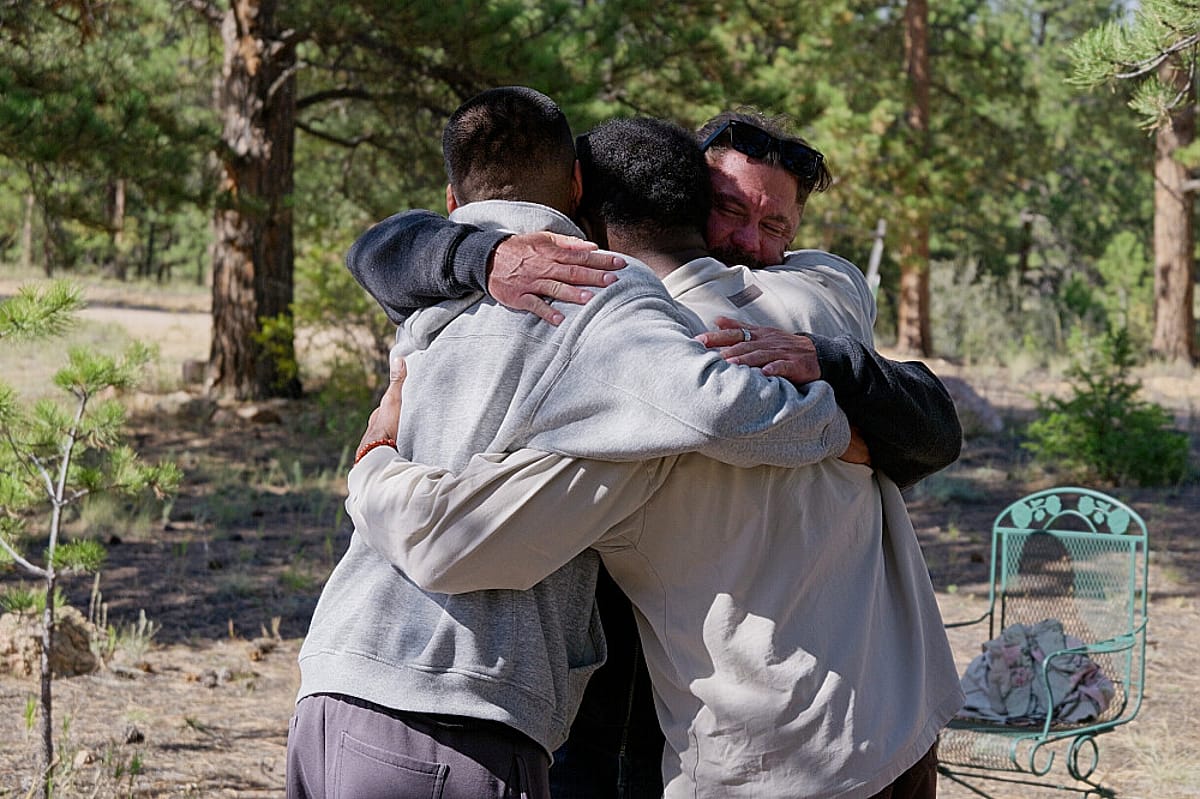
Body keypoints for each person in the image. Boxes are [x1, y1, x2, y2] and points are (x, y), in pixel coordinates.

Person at [345, 108, 961, 797]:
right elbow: (386, 246)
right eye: (729, 210)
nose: (751, 242)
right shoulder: (811, 298)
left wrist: (373, 468)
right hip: (890, 725)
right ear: (684, 198)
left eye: (776, 225)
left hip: (771, 761)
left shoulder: (651, 374)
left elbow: (452, 541)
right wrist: (483, 255)